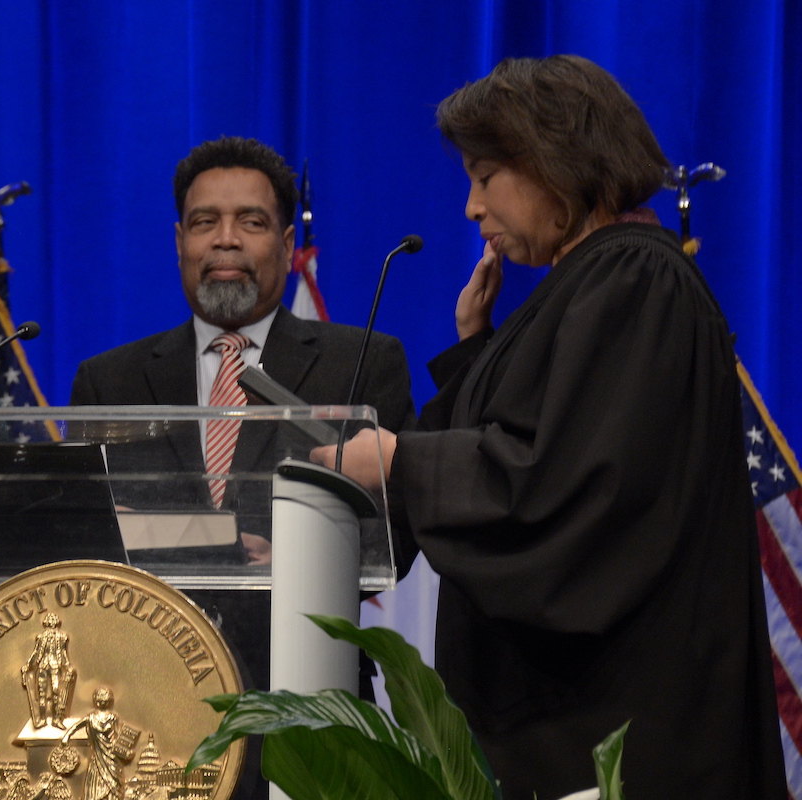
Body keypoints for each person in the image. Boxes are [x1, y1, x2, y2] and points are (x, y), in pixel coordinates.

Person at [315, 55, 785, 798]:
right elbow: (536, 437)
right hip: (568, 732)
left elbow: (573, 491)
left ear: (552, 165)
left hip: (621, 741)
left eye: (484, 176)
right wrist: (477, 347)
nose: (471, 207)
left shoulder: (635, 280)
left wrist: (402, 461)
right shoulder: (592, 282)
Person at [71, 137, 416, 800]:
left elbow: (400, 532)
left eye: (251, 222)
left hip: (307, 703)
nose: (225, 240)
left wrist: (294, 559)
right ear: (179, 241)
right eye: (205, 222)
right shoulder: (108, 379)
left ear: (288, 243)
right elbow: (91, 540)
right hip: (144, 714)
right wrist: (209, 546)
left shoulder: (362, 363)